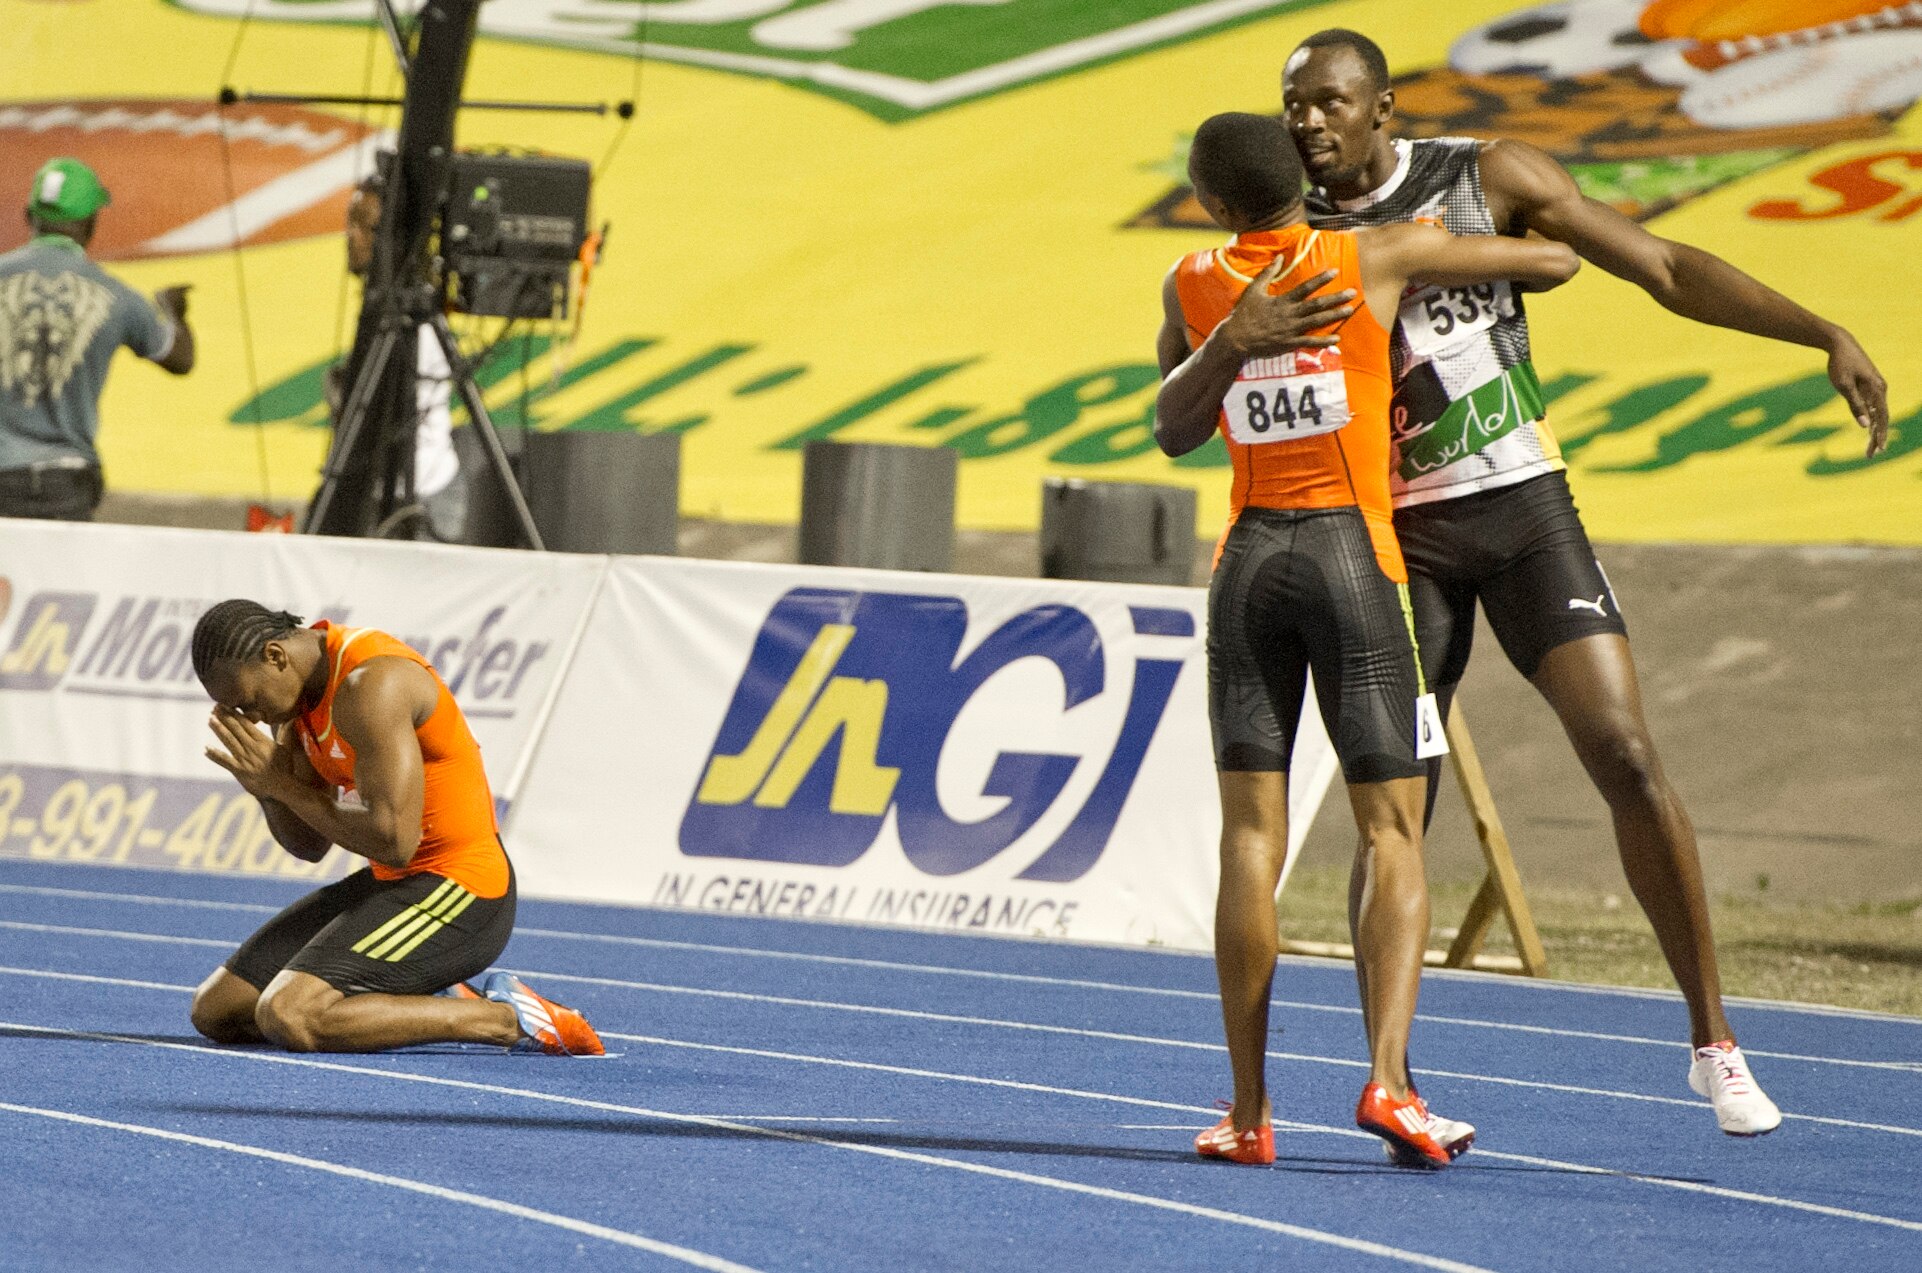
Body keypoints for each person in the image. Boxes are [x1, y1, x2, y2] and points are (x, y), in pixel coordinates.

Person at [1279, 28, 1891, 1137]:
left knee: (1625, 752)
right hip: (1393, 539)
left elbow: (1662, 268)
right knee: (1397, 806)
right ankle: (1391, 1080)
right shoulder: (1287, 224)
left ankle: (1713, 1044)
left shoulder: (1487, 175)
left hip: (1521, 510)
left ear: (1381, 107)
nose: (1309, 124)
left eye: (1329, 103)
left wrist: (1818, 331)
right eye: (1294, 108)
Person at [1155, 111, 1578, 1166]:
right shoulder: (1374, 252)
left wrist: (1232, 340)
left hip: (1246, 565)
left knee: (1249, 840)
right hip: (1356, 561)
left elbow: (1172, 428)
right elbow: (1556, 261)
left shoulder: (1190, 283)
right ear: (1299, 180)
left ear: (1211, 204)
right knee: (1391, 830)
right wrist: (1449, 238)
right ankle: (1389, 1084)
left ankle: (1247, 1114)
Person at [185, 599, 603, 1057]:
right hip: (395, 885)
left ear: (275, 656)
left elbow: (395, 841)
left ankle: (508, 1018)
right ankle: (421, 997)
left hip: (462, 888)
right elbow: (309, 846)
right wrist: (268, 790)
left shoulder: (372, 684)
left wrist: (282, 785)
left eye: (248, 701)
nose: (251, 717)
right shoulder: (294, 708)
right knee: (217, 1010)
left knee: (291, 1014)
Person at [0, 157, 195, 521]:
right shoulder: (115, 296)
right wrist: (174, 313)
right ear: (91, 222)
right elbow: (180, 359)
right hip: (67, 483)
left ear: (29, 216)